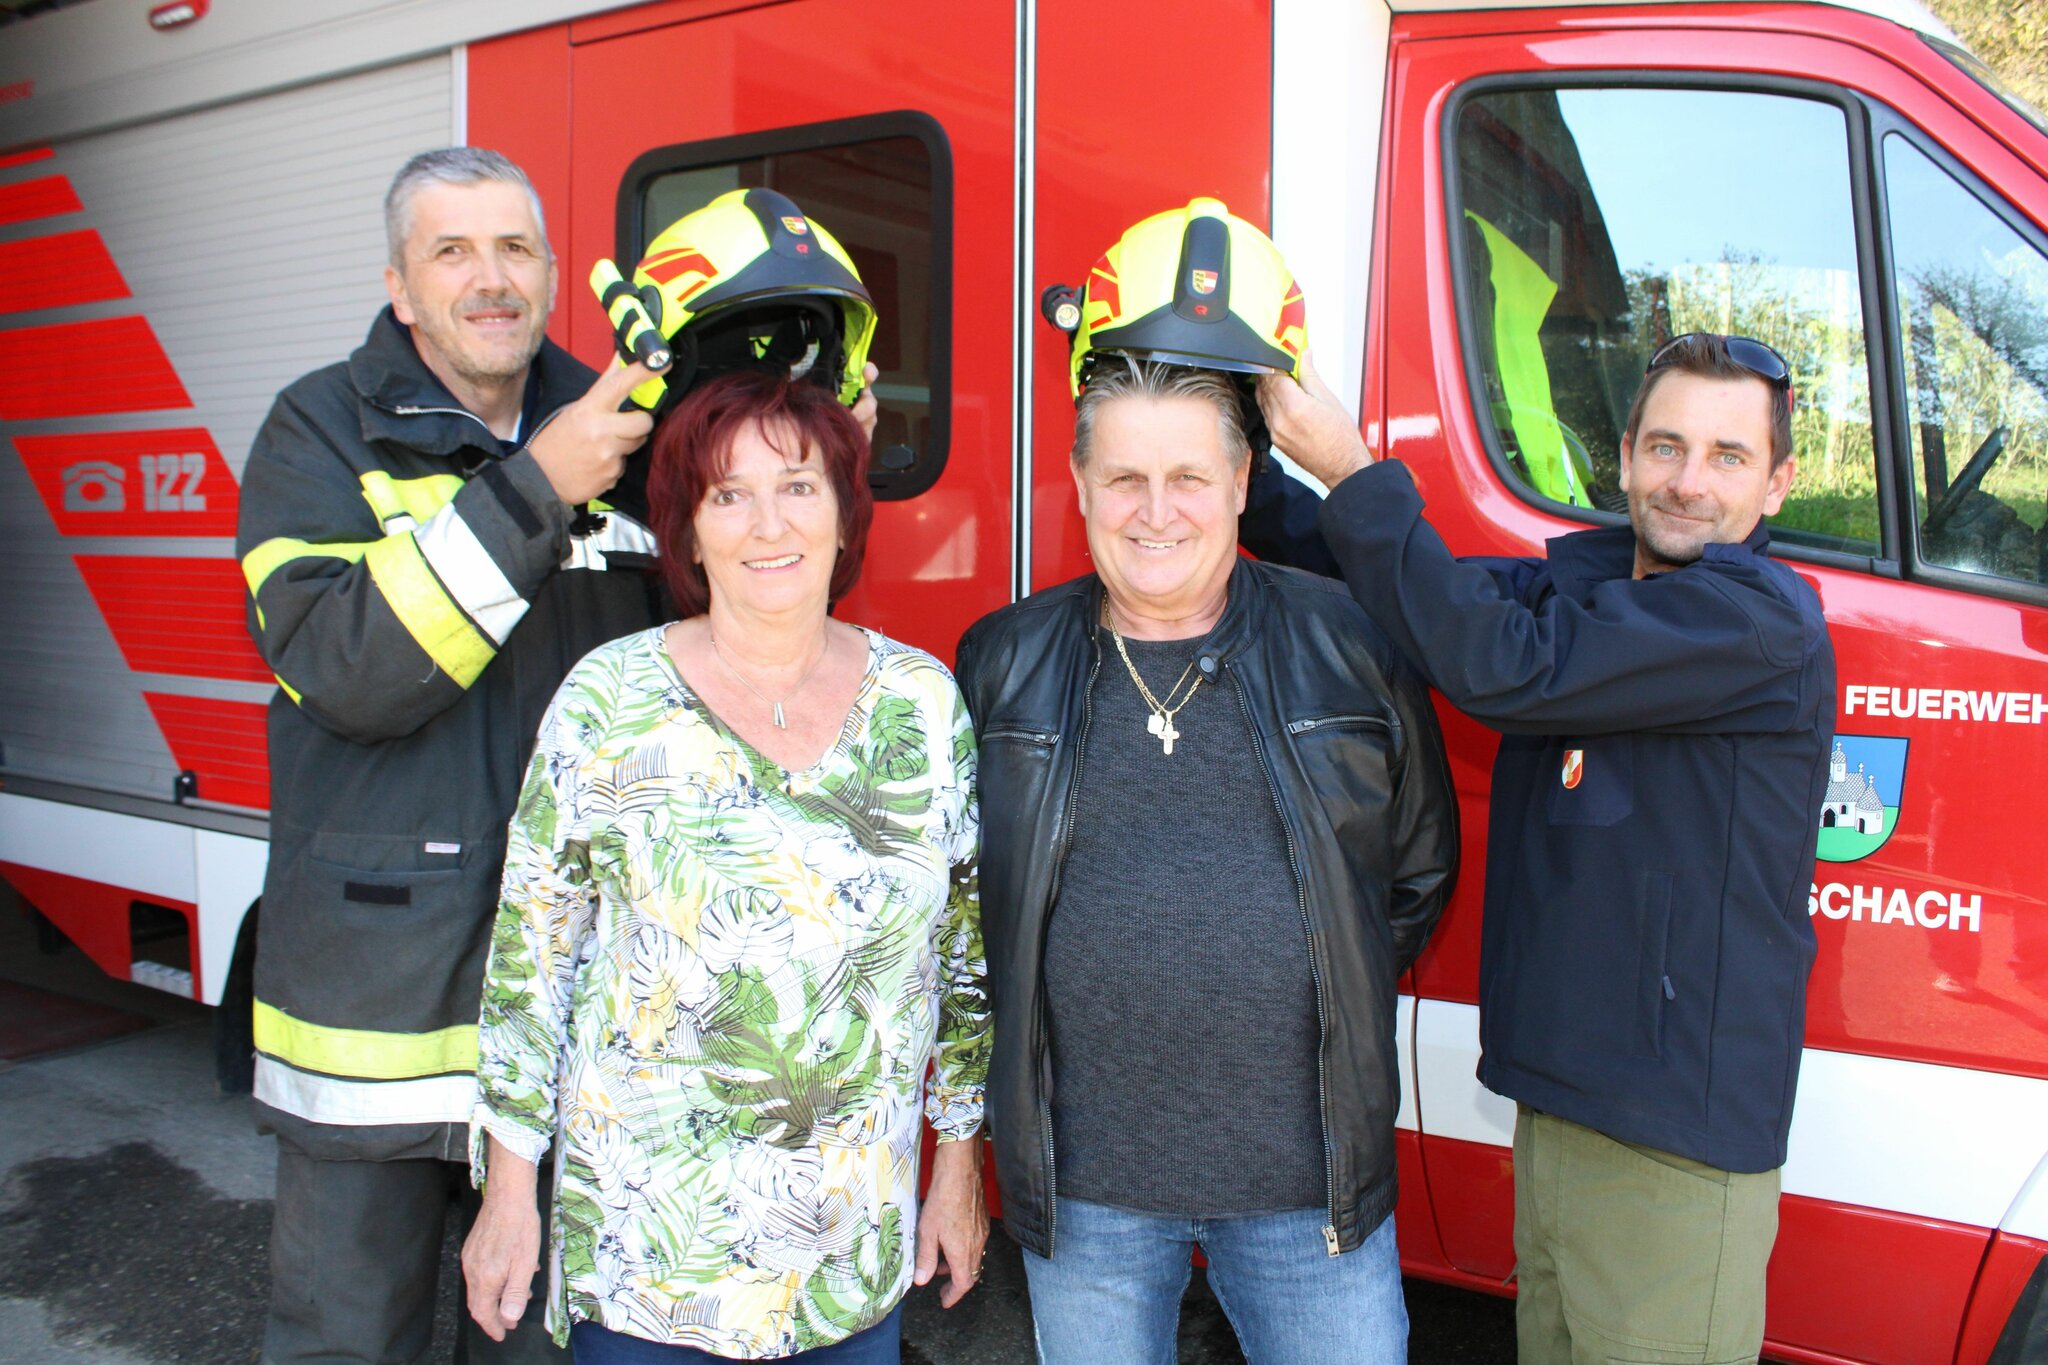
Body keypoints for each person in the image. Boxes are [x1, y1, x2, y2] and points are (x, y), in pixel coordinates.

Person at [1258, 332, 1837, 1365]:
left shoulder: (1752, 624)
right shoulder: (1598, 595)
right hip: (1565, 1107)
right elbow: (1385, 583)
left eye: (1726, 456)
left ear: (1778, 483)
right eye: (1664, 447)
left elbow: (1499, 665)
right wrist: (1233, 443)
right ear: (1622, 457)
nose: (1687, 482)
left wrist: (1350, 466)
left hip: (1671, 1146)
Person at [959, 200, 1458, 1365]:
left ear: (1243, 484)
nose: (1154, 510)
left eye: (1189, 476)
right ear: (1076, 485)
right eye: (1123, 477)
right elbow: (967, 911)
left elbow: (1414, 871)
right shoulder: (1001, 663)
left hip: (1307, 1192)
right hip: (1086, 1194)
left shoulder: (1351, 640)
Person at [237, 146, 668, 1365]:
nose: (492, 279)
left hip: (569, 1013)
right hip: (372, 1015)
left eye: (516, 248)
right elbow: (346, 669)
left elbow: (730, 623)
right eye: (453, 252)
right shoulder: (316, 429)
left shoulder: (621, 427)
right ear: (401, 285)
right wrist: (537, 489)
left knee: (540, 1343)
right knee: (343, 1340)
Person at [462, 366, 988, 1363]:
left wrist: (955, 1168)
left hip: (848, 1267)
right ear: (688, 531)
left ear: (843, 517)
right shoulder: (606, 701)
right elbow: (531, 969)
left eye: (797, 486)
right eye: (728, 495)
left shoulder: (921, 705)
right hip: (647, 1268)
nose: (767, 523)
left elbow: (960, 970)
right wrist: (508, 1195)